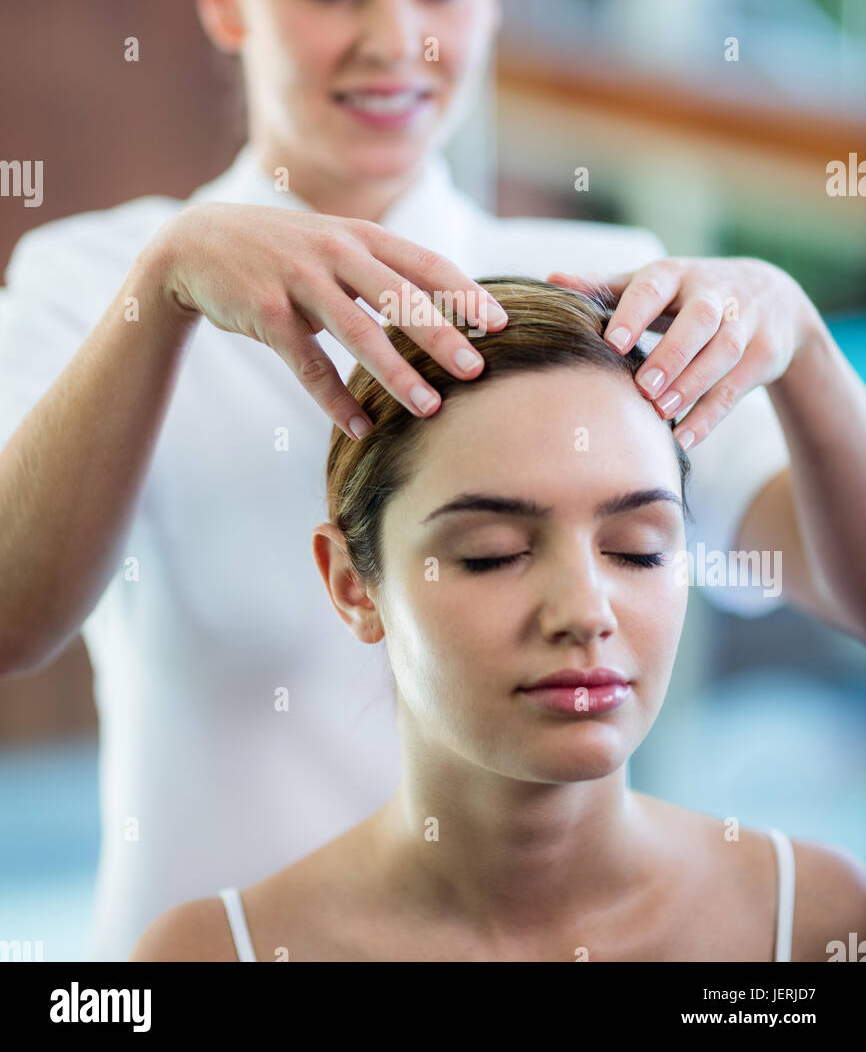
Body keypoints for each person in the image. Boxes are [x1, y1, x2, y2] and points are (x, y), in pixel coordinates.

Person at [1, 0, 864, 963]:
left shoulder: (595, 287)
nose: (395, 40)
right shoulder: (99, 279)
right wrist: (169, 280)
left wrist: (799, 345)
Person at [128, 279, 866, 962]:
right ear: (354, 587)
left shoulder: (810, 923)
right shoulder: (216, 954)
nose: (583, 614)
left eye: (637, 551)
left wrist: (804, 339)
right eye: (492, 555)